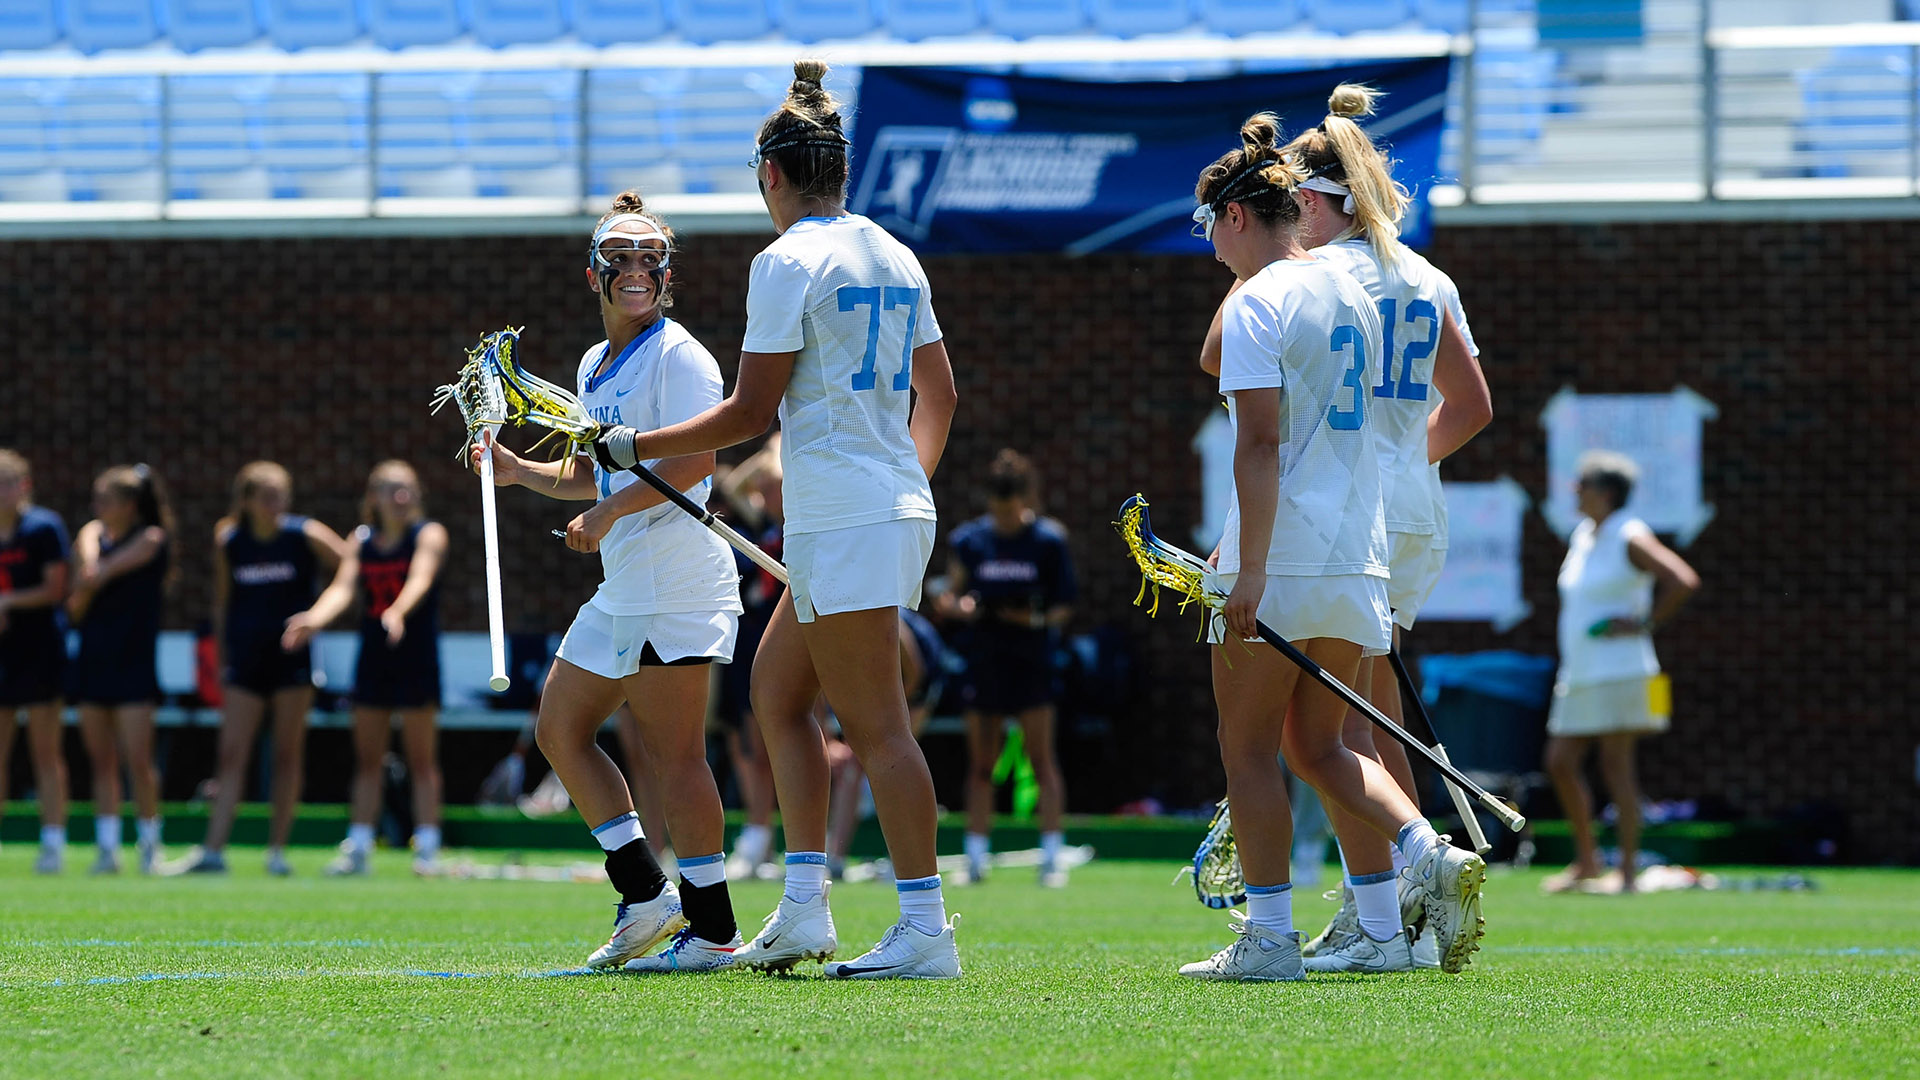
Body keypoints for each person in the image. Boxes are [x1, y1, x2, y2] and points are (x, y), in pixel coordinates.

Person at [590, 59, 962, 979]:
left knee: (877, 726)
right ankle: (804, 908)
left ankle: (927, 928)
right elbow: (941, 397)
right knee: (778, 696)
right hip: (876, 505)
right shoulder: (892, 249)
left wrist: (631, 444)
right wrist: (898, 489)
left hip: (847, 513)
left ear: (772, 175)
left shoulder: (786, 259)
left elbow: (749, 416)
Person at [1177, 113, 1485, 983]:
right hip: (1363, 551)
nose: (1210, 250)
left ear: (1239, 216)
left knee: (1248, 748)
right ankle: (1425, 850)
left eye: (1211, 227)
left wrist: (1249, 565)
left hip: (1282, 552)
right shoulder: (1357, 288)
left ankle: (1269, 937)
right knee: (1325, 745)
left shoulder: (1259, 299)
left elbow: (1261, 446)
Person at [479, 189, 744, 973]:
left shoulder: (681, 356)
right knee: (560, 729)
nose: (636, 270)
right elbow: (592, 475)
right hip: (628, 580)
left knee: (676, 755)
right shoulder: (596, 363)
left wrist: (606, 518)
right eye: (620, 259)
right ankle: (643, 892)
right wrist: (518, 472)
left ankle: (715, 929)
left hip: (679, 575)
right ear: (592, 274)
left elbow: (695, 464)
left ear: (668, 275)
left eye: (649, 259)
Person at [1273, 84, 1494, 972]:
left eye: (1298, 206)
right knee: (1370, 716)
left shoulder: (1322, 274)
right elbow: (1472, 408)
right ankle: (1391, 905)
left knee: (1332, 732)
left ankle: (1389, 913)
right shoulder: (1425, 273)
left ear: (1321, 202)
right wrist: (1408, 463)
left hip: (1342, 514)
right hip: (1412, 514)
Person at [166, 461, 346, 876]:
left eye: (280, 494)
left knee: (286, 754)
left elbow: (351, 566)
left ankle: (277, 851)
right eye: (266, 496)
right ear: (246, 500)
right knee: (231, 754)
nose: (274, 504)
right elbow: (223, 601)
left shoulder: (304, 533)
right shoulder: (230, 540)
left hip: (292, 657)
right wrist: (221, 655)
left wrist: (317, 615)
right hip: (246, 658)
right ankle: (213, 851)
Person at [1542, 451, 1700, 894]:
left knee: (1616, 766)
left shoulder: (1629, 532)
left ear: (1606, 493)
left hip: (1625, 671)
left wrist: (1643, 622)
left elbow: (1682, 579)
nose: (1575, 490)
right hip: (1580, 670)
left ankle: (1627, 872)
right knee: (1560, 762)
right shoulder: (1582, 535)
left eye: (1583, 483)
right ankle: (1588, 862)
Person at [284, 461, 450, 877]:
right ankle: (358, 845)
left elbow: (421, 577)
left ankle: (427, 848)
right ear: (373, 497)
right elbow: (342, 587)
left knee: (421, 759)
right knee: (368, 759)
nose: (400, 497)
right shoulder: (361, 540)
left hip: (415, 654)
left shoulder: (428, 534)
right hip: (375, 657)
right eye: (391, 489)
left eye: (407, 489)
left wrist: (397, 611)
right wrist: (315, 619)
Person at [935, 449, 1076, 887]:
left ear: (1026, 499)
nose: (1005, 517)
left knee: (1040, 759)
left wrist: (1028, 619)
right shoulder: (970, 540)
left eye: (1011, 508)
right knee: (981, 764)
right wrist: (964, 607)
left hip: (1032, 660)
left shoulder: (1049, 541)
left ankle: (1051, 857)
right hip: (985, 658)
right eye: (998, 509)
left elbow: (1063, 607)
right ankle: (976, 857)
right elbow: (948, 595)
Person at [68, 464, 176, 874]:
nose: (97, 507)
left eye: (106, 500)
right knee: (101, 760)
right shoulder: (92, 534)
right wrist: (91, 571)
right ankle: (107, 847)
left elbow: (103, 571)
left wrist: (97, 572)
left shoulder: (150, 538)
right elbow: (80, 593)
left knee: (138, 759)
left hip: (133, 662)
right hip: (94, 659)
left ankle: (150, 843)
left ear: (130, 505)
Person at [714, 437, 786, 881]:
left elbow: (775, 478)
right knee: (744, 742)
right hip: (747, 641)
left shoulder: (795, 521)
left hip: (779, 640)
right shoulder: (761, 526)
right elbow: (736, 486)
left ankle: (767, 839)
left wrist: (779, 449)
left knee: (767, 746)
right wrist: (767, 451)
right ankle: (757, 840)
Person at [0, 449, 72, 874]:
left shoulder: (44, 528)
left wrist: (8, 600)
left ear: (23, 486)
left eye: (6, 484)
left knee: (45, 751)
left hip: (41, 648)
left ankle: (53, 843)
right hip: (3, 654)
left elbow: (55, 588)